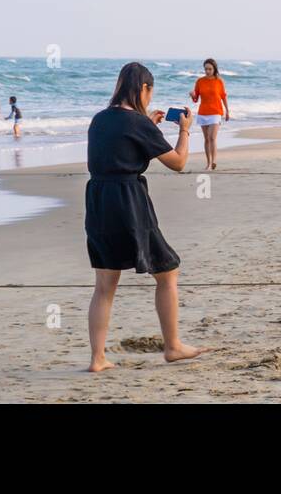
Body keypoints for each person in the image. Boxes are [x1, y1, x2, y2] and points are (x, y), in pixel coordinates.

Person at [85, 62, 201, 371]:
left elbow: (118, 147)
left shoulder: (99, 119)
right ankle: (173, 346)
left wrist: (147, 124)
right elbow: (178, 163)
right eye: (150, 91)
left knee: (104, 283)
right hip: (129, 202)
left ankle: (97, 358)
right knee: (168, 271)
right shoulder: (138, 123)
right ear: (143, 89)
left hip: (97, 200)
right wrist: (185, 130)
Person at [190, 58, 229, 170]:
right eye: (206, 69)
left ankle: (214, 161)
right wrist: (192, 95)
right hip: (203, 113)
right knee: (206, 139)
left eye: (210, 69)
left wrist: (227, 111)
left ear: (214, 69)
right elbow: (196, 99)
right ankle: (208, 163)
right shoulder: (200, 81)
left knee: (212, 137)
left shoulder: (219, 81)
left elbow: (223, 97)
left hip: (216, 112)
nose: (207, 71)